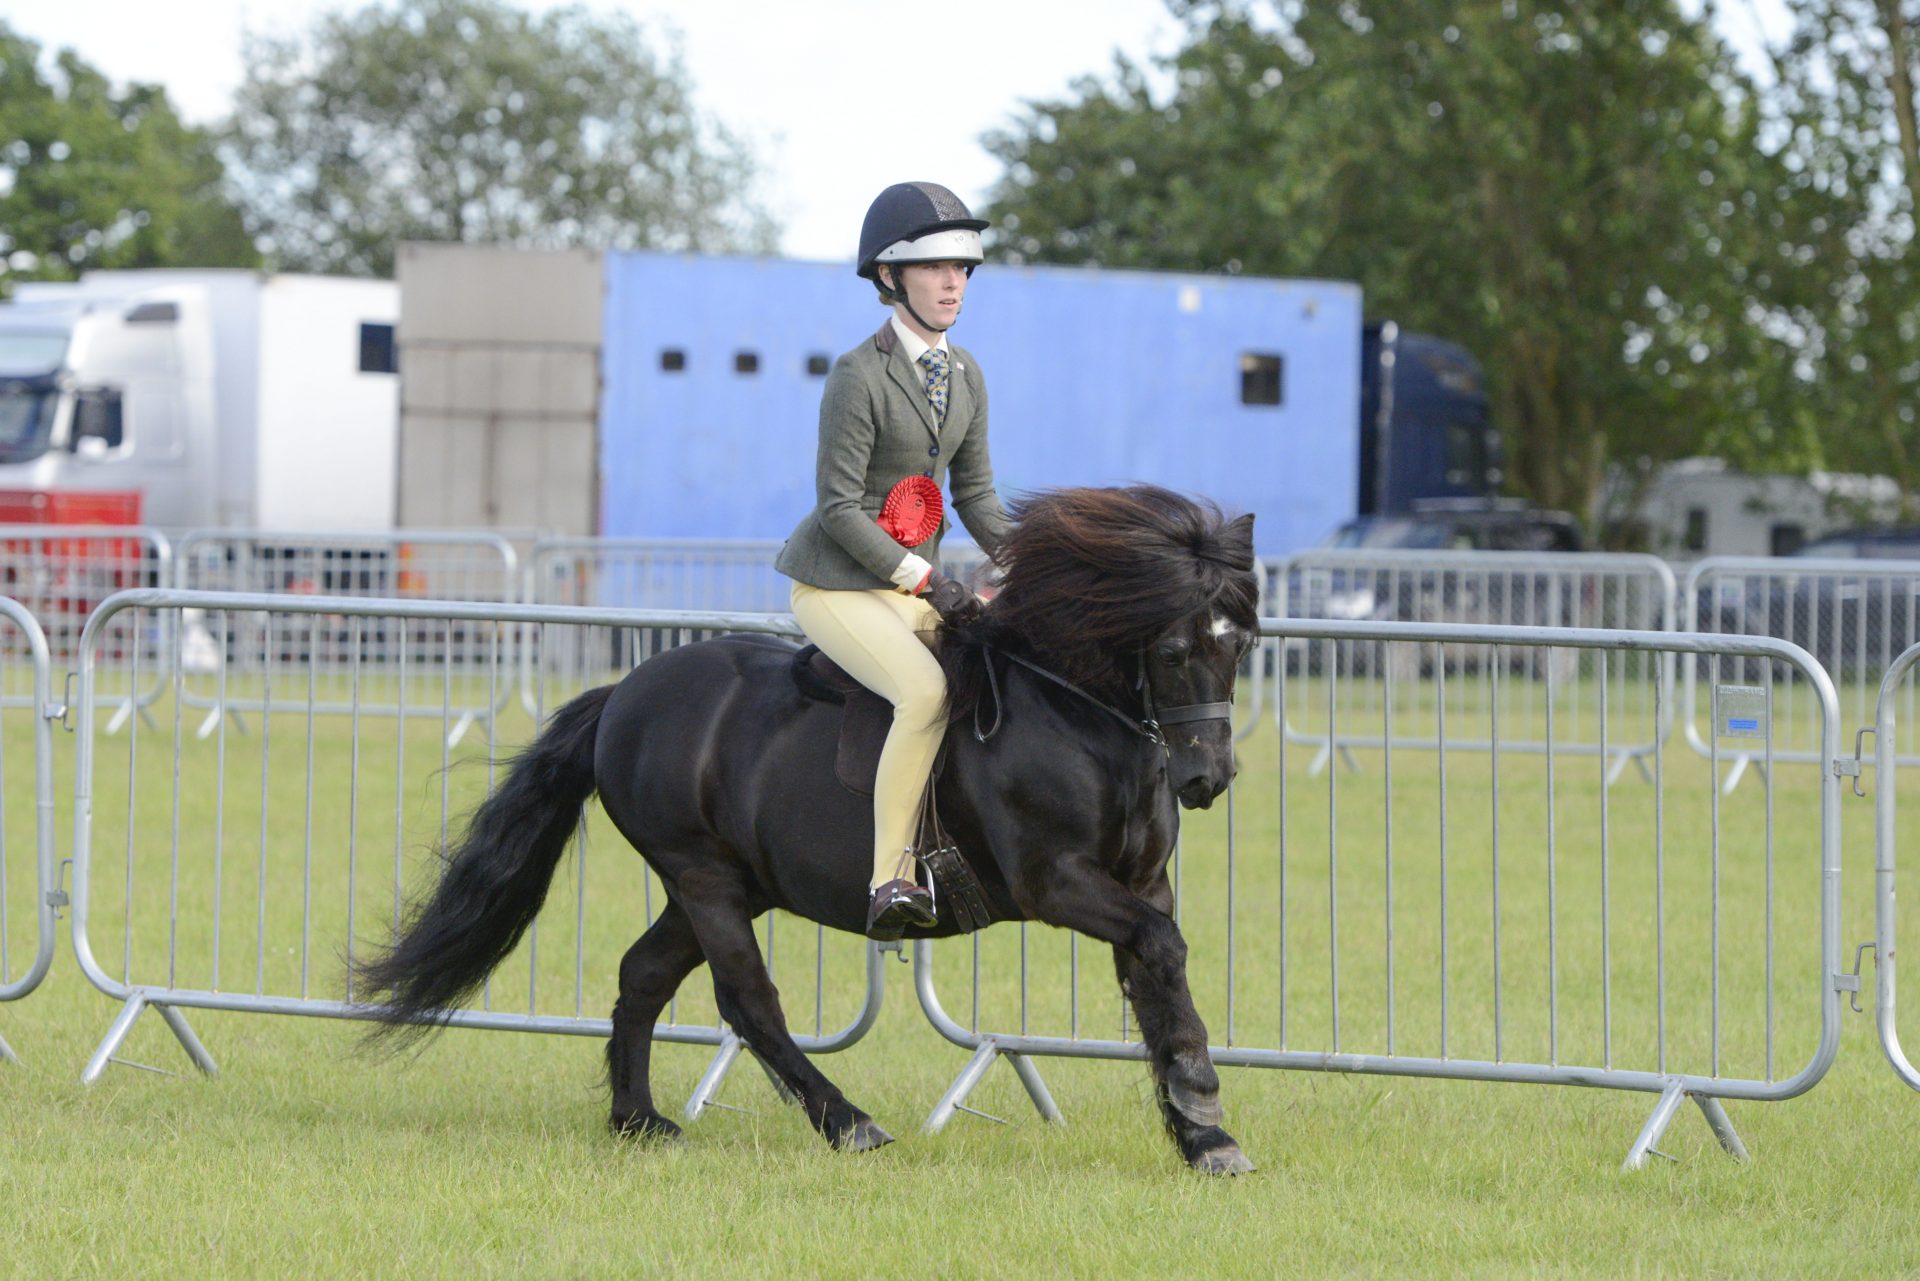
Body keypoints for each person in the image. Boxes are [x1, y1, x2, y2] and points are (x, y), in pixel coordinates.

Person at [775, 181, 1011, 939]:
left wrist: (1034, 558)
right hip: (837, 585)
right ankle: (890, 879)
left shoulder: (967, 374)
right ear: (890, 277)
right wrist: (925, 577)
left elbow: (976, 494)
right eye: (936, 267)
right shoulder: (858, 374)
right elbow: (839, 507)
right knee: (926, 693)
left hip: (910, 591)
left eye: (963, 268)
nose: (954, 283)